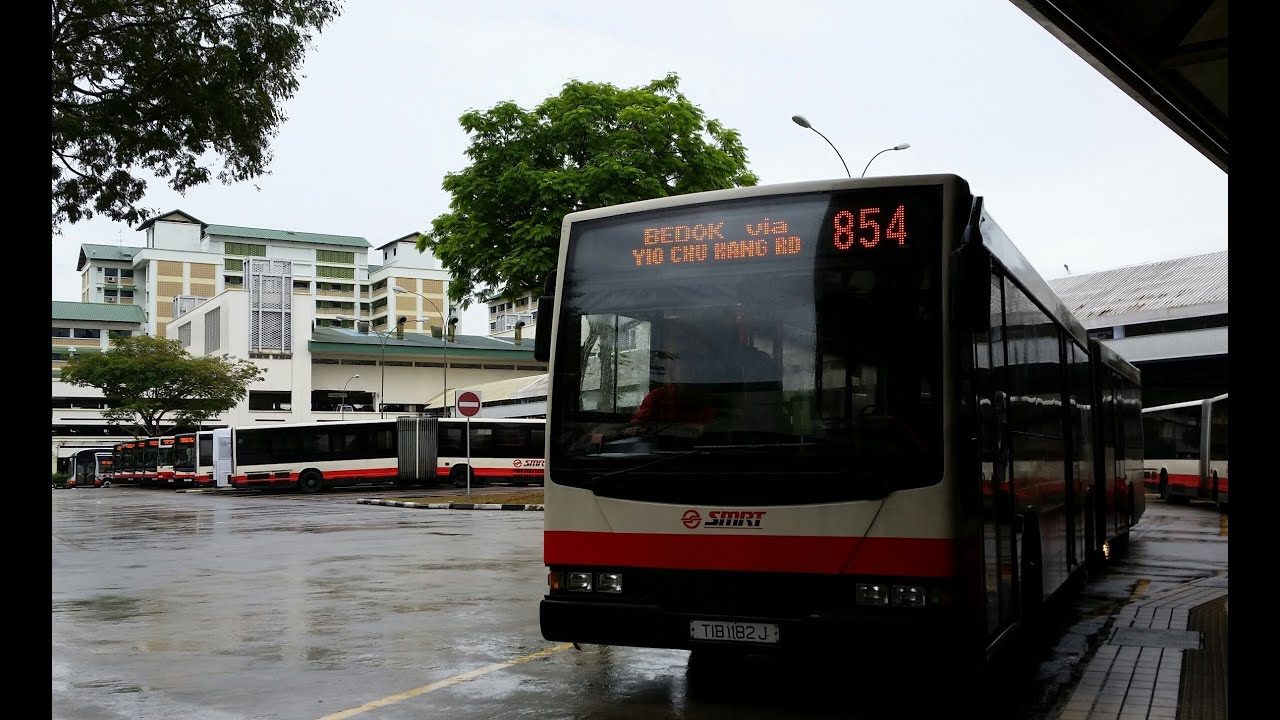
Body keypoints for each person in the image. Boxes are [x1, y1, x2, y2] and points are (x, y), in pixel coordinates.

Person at [625, 325, 715, 437]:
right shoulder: (657, 397)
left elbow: (711, 431)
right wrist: (635, 429)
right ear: (672, 373)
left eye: (689, 371)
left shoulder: (704, 400)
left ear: (696, 374)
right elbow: (637, 424)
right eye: (680, 370)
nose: (685, 375)